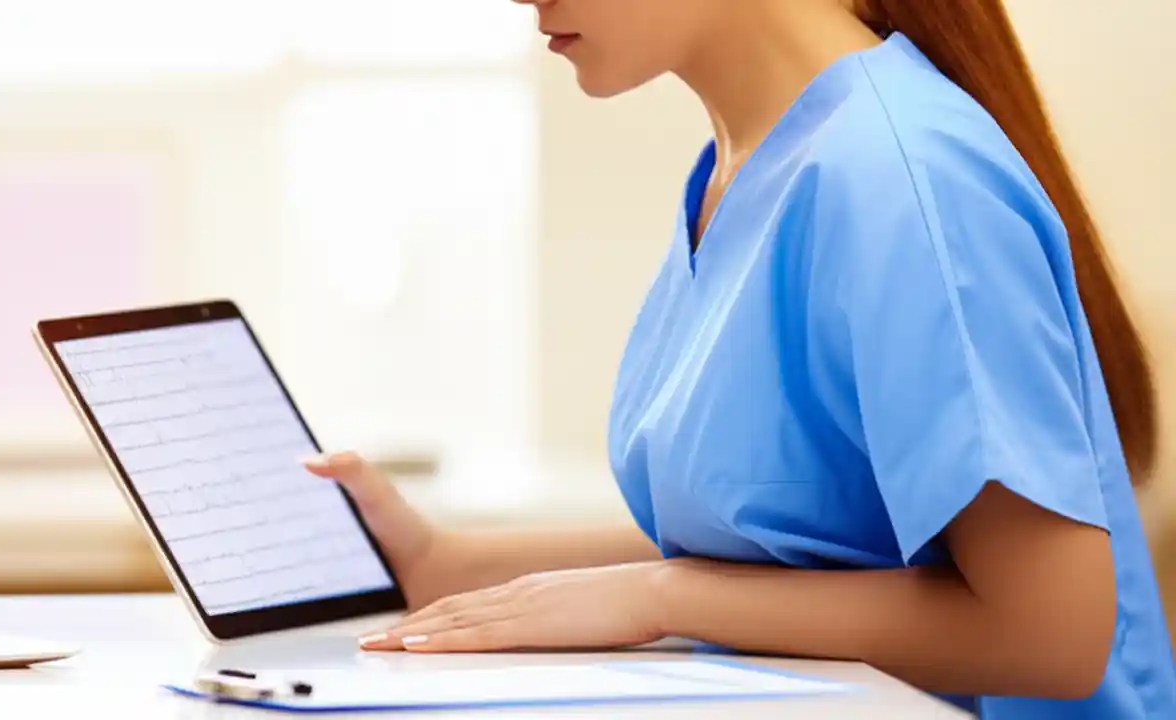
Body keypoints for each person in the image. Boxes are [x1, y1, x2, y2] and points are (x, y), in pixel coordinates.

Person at [303, 0, 1176, 717]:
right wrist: (438, 561)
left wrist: (657, 600)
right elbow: (802, 542)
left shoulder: (901, 176)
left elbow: (1052, 637)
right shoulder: (750, 164)